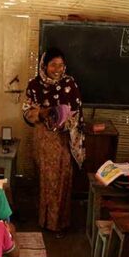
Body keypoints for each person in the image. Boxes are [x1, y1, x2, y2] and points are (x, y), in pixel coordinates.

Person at [23, 47, 84, 236]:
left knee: (62, 179)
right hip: (43, 139)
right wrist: (42, 113)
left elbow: (77, 111)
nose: (57, 69)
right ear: (44, 65)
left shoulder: (70, 84)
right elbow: (26, 113)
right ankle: (44, 221)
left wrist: (65, 121)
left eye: (61, 65)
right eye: (53, 65)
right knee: (45, 180)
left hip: (64, 139)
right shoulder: (34, 85)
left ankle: (59, 224)